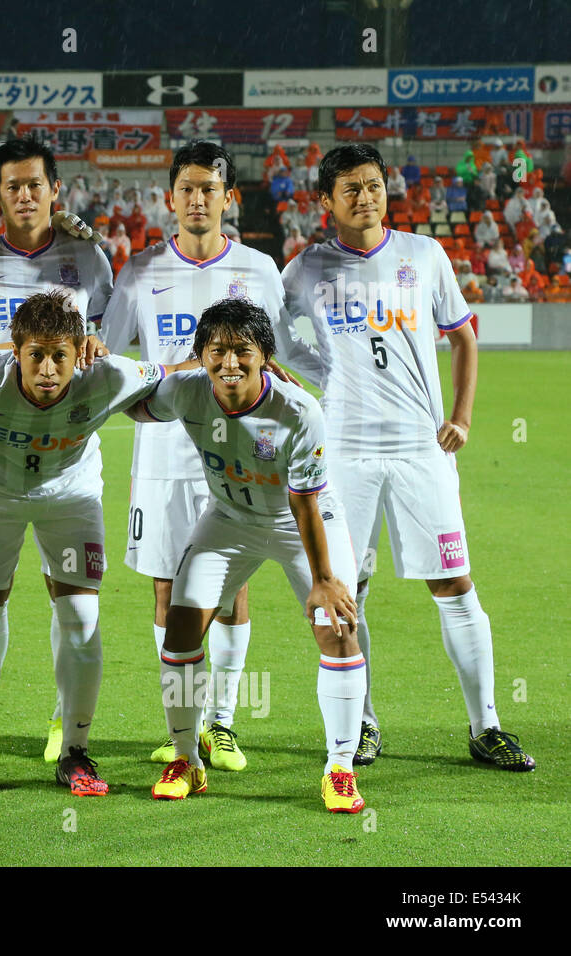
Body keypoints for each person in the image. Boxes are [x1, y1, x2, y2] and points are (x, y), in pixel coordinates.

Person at [278, 143, 535, 772]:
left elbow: (464, 336)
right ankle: (362, 726)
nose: (365, 197)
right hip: (344, 453)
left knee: (453, 583)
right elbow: (278, 335)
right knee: (346, 593)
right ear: (326, 202)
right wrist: (322, 376)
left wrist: (463, 418)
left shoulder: (424, 254)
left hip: (422, 449)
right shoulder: (305, 269)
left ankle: (487, 726)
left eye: (373, 185)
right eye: (351, 189)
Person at [0, 291, 166, 797]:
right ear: (13, 352)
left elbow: (175, 372)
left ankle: (75, 752)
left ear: (79, 352)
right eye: (36, 355)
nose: (48, 369)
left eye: (60, 356)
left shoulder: (108, 376)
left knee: (81, 620)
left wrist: (251, 369)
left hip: (69, 498)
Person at [100, 141, 308, 772]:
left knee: (232, 588)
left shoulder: (260, 269)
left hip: (242, 455)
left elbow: (275, 359)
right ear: (171, 197)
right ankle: (182, 728)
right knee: (169, 589)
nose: (197, 199)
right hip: (164, 454)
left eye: (209, 189)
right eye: (186, 188)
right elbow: (111, 362)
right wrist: (182, 371)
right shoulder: (139, 273)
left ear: (229, 197)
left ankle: (223, 721)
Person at [130, 298, 365, 813]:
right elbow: (130, 399)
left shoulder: (299, 410)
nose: (229, 363)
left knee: (337, 625)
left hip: (300, 521)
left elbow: (303, 501)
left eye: (243, 351)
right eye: (217, 351)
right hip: (230, 518)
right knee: (182, 627)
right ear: (200, 356)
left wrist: (324, 579)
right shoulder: (186, 390)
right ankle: (187, 759)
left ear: (265, 356)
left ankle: (340, 768)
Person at [0, 137, 113, 761]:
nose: (25, 195)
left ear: (54, 189)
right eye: (12, 185)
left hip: (69, 463)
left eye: (35, 184)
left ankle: (68, 729)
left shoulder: (88, 259)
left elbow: (108, 344)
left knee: (72, 607)